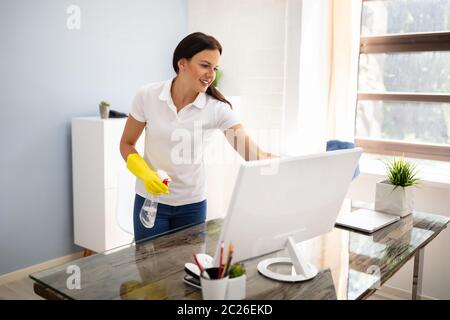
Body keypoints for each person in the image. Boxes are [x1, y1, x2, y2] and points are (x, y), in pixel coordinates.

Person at [120, 32, 274, 242]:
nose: (211, 74)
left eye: (215, 68)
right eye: (205, 65)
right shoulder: (147, 96)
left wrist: (289, 167)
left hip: (191, 206)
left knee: (188, 271)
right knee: (150, 271)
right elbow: (126, 144)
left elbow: (252, 153)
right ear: (182, 63)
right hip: (151, 202)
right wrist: (145, 174)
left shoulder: (217, 108)